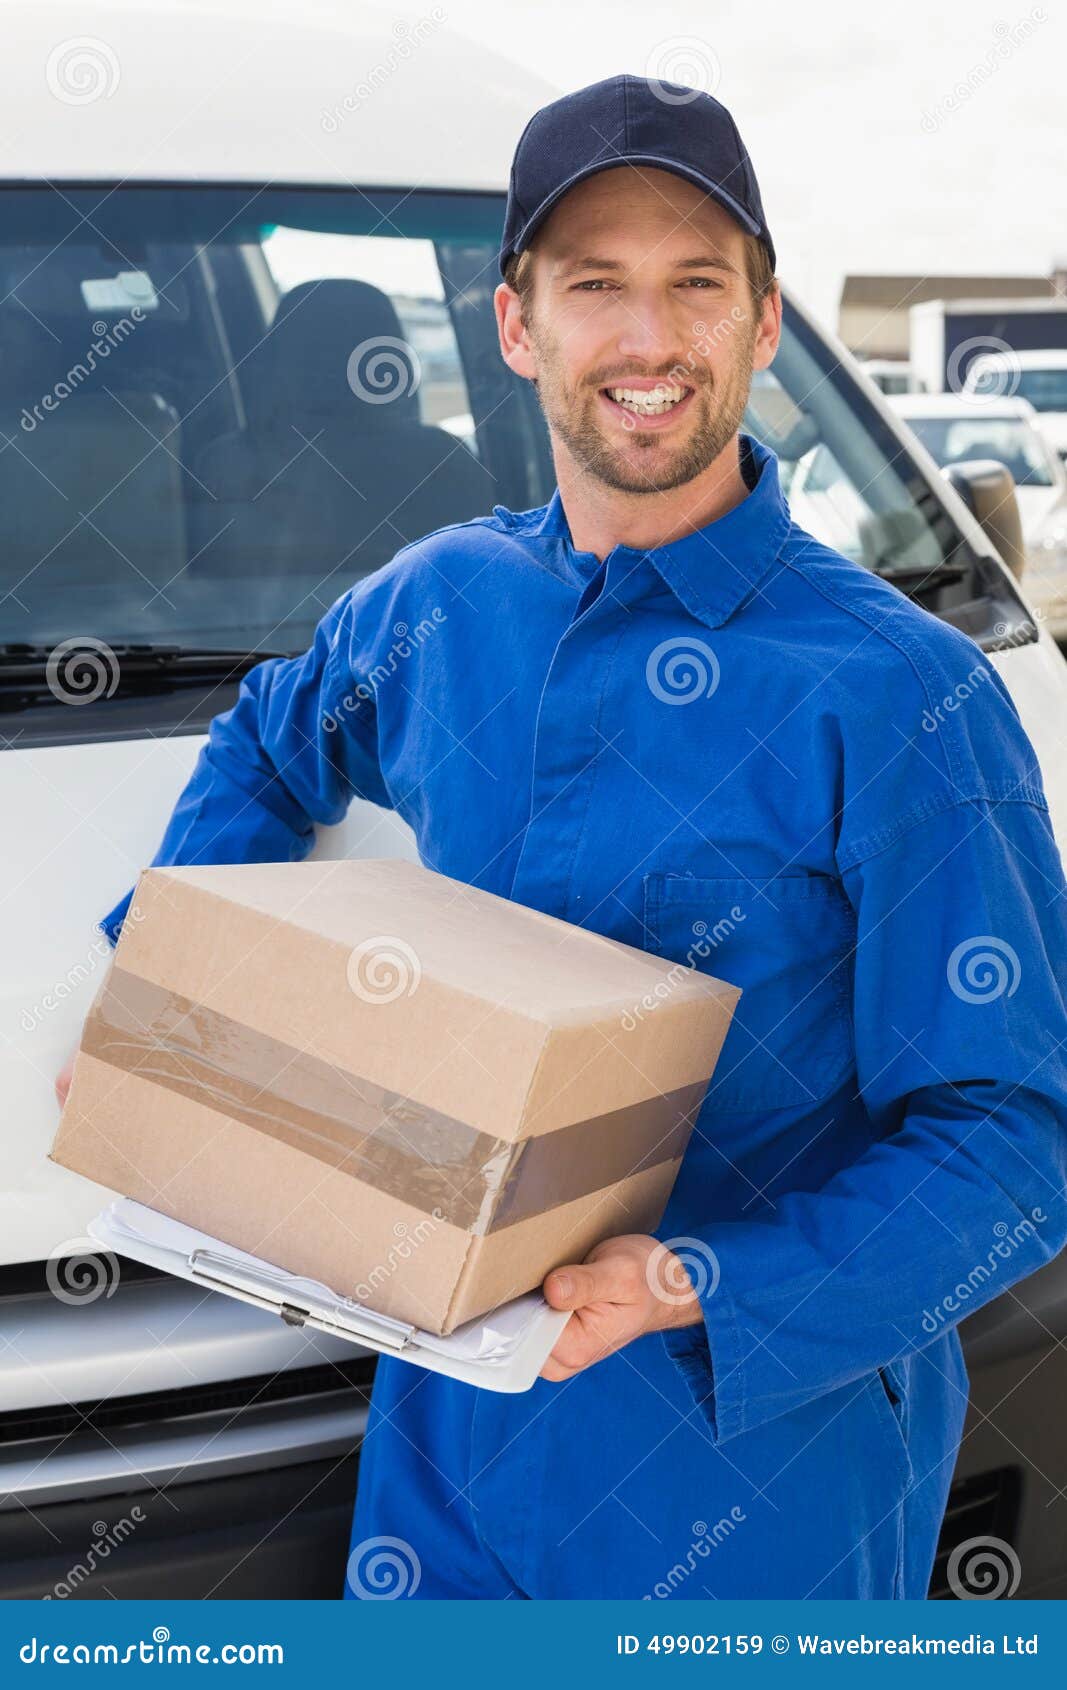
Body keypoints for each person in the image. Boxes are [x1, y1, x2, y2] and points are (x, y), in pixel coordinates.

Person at [58, 75, 1067, 1600]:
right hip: (447, 1446)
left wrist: (693, 1283)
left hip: (754, 1484)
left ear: (764, 322)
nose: (648, 340)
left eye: (695, 285)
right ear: (519, 323)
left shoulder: (903, 696)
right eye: (596, 286)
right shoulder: (438, 607)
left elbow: (1018, 1147)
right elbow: (270, 736)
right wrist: (172, 1016)